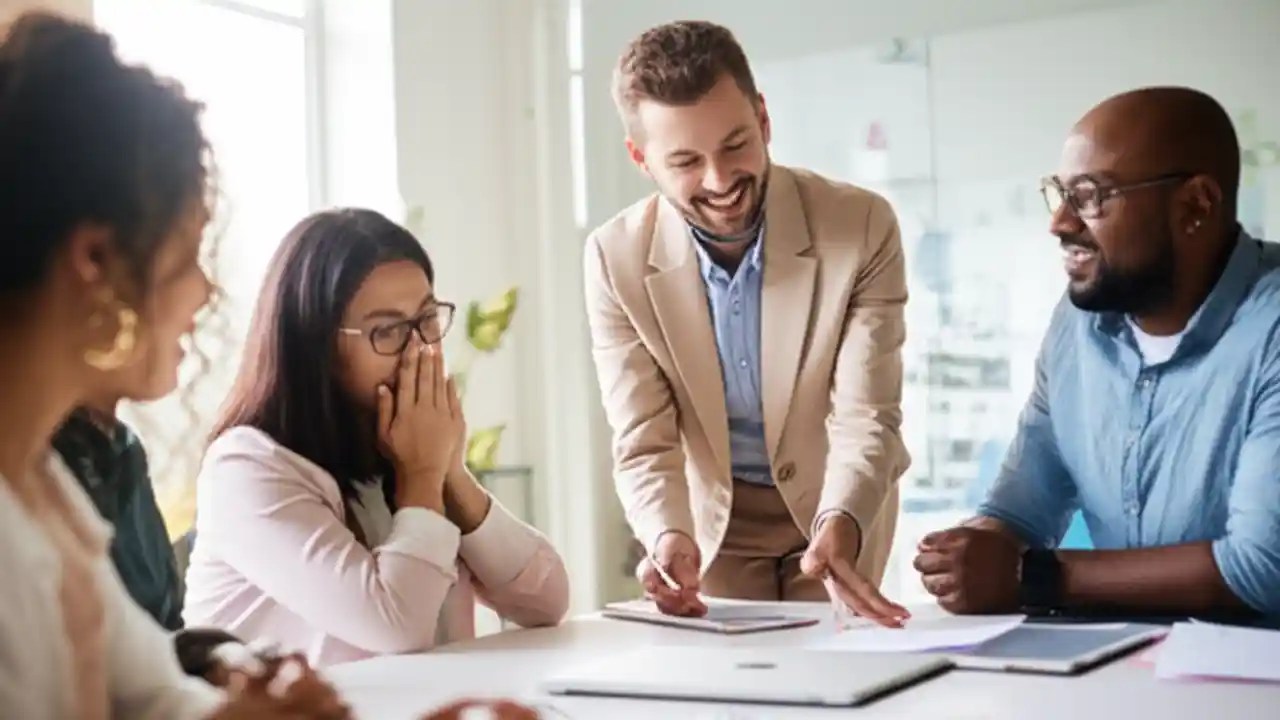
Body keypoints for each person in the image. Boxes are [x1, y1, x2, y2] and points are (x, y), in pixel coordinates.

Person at [0, 11, 348, 718]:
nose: (206, 291)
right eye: (187, 253)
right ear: (95, 261)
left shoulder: (43, 487)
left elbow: (158, 695)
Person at [584, 20, 910, 625]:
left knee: (834, 676)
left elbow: (867, 414)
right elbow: (643, 436)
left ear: (763, 120)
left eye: (735, 145)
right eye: (685, 160)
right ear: (641, 158)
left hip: (839, 500)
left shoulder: (860, 226)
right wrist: (665, 535)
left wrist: (843, 518)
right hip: (716, 519)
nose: (720, 180)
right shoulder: (615, 258)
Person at [914, 86, 1280, 620]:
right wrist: (965, 556)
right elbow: (1019, 508)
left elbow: (1261, 567)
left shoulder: (1268, 325)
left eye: (1090, 196)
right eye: (1059, 193)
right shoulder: (1079, 322)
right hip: (1113, 672)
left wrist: (1031, 577)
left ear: (1195, 205)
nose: (1060, 222)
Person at [184, 208, 571, 667]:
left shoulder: (396, 447)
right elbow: (394, 625)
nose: (420, 349)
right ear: (317, 346)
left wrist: (450, 473)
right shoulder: (246, 469)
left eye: (427, 319)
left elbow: (545, 603)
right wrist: (424, 475)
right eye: (386, 331)